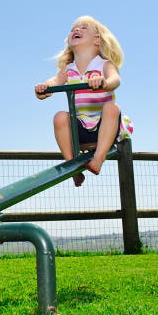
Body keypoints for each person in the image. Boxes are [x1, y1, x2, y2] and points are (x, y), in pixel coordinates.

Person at [34, 15, 133, 187]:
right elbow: (55, 81)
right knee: (60, 117)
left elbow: (115, 79)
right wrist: (45, 87)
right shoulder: (69, 69)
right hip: (79, 130)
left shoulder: (104, 65)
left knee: (112, 108)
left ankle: (99, 158)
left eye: (83, 28)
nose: (76, 30)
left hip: (104, 128)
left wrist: (105, 82)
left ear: (97, 40)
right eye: (73, 29)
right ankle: (72, 166)